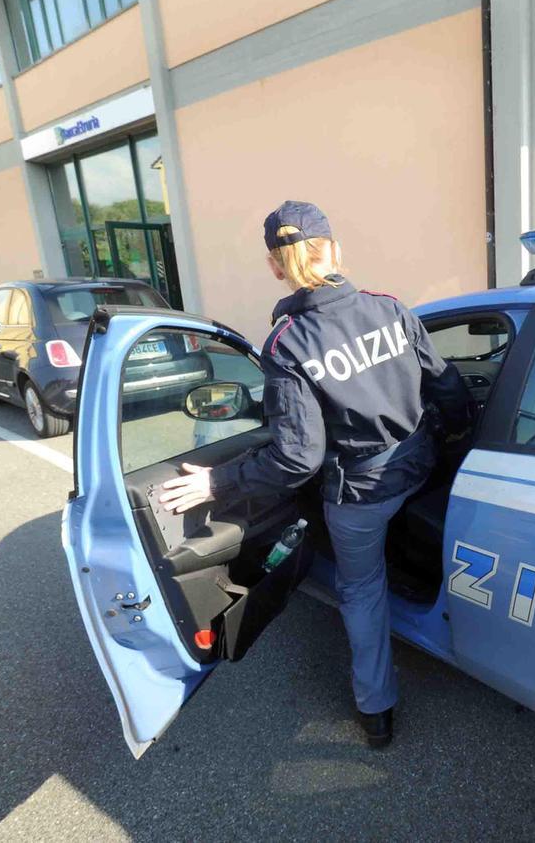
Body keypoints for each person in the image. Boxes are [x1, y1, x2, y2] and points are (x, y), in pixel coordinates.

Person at [158, 201, 472, 749]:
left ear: (274, 265)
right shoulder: (390, 307)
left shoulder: (288, 345)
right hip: (420, 465)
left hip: (363, 497)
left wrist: (216, 483)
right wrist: (460, 444)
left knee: (362, 588)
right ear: (336, 250)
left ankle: (377, 709)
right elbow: (446, 387)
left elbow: (297, 458)